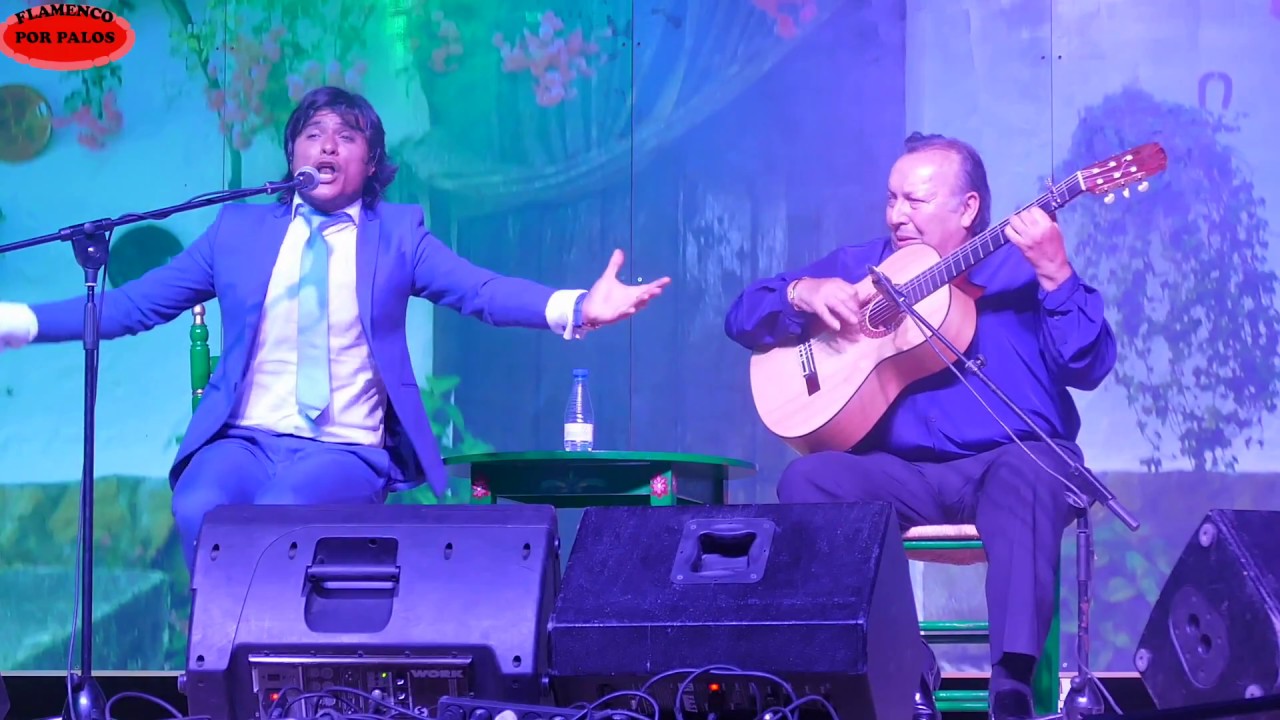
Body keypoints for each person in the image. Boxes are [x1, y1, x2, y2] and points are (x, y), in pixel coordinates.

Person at [0, 86, 669, 574]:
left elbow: (481, 291)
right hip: (246, 439)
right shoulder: (237, 232)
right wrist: (18, 321)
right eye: (313, 133)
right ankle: (222, 673)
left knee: (280, 516)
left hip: (343, 447)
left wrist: (578, 306)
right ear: (292, 153)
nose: (326, 145)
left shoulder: (399, 236)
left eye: (346, 136)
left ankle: (274, 680)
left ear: (370, 163)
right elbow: (133, 306)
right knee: (201, 503)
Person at [724, 132, 1116, 720]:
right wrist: (803, 293)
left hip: (1008, 465)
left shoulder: (1023, 268)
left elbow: (1088, 364)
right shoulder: (862, 267)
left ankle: (1010, 683)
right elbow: (743, 315)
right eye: (892, 198)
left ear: (968, 208)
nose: (897, 214)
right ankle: (905, 667)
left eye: (916, 200)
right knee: (807, 481)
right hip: (903, 474)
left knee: (1034, 468)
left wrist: (1058, 275)